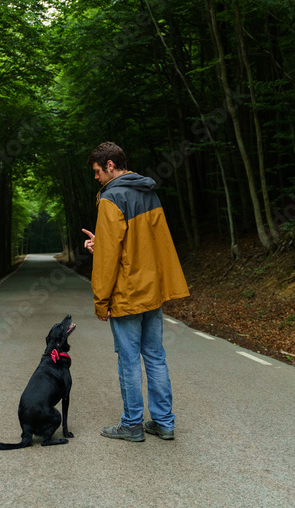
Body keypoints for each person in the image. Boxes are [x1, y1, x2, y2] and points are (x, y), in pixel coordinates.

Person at [81, 141, 190, 442]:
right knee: (155, 355)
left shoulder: (110, 198)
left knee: (128, 359)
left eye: (97, 171)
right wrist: (99, 243)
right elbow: (146, 244)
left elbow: (109, 257)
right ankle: (164, 422)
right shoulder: (148, 191)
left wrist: (101, 301)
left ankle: (132, 424)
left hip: (126, 293)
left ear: (110, 166)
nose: (96, 177)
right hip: (151, 289)